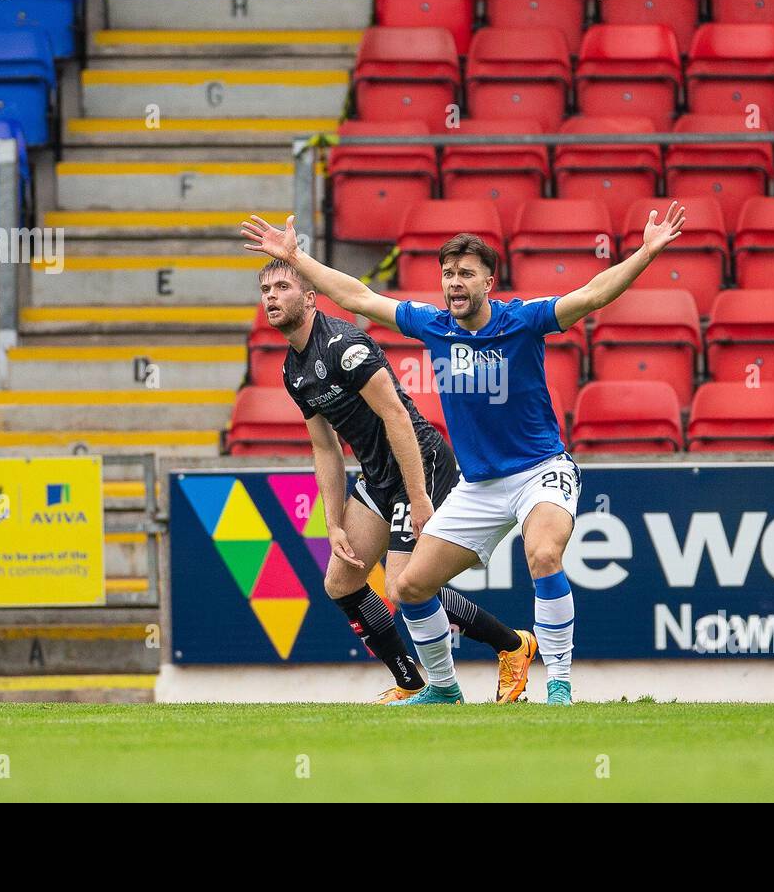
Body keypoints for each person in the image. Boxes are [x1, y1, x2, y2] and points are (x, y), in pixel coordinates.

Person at [242, 204, 688, 705]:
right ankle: (443, 688)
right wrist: (296, 258)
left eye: (466, 274)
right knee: (408, 587)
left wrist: (646, 252)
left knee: (543, 554)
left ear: (489, 282)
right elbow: (359, 296)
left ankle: (559, 683)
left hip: (540, 470)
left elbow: (591, 295)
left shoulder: (523, 320)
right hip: (479, 486)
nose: (455, 283)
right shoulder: (435, 325)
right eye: (448, 274)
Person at [258, 258, 537, 703]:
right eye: (265, 289)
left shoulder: (345, 345)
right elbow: (325, 449)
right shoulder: (293, 370)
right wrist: (332, 523)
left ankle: (512, 645)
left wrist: (418, 496)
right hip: (376, 476)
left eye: (282, 287)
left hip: (419, 462)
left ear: (310, 299)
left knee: (402, 586)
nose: (271, 296)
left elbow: (397, 418)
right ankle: (411, 682)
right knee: (341, 581)